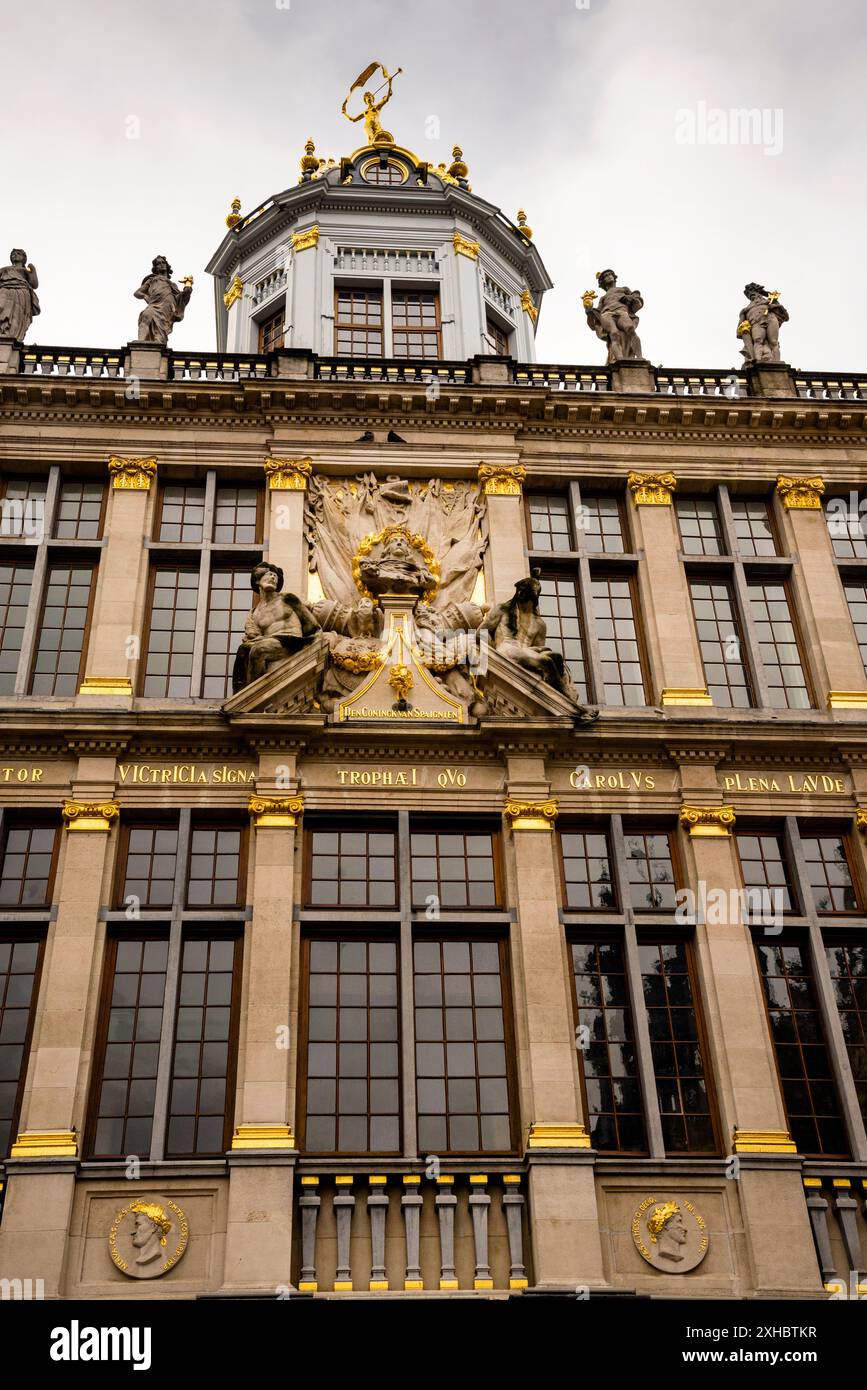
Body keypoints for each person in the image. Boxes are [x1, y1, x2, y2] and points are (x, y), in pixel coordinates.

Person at [231, 562, 320, 690]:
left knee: (258, 650)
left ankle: (256, 693)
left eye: (275, 576)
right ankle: (241, 693)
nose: (273, 577)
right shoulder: (254, 613)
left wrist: (314, 641)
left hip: (292, 641)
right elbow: (252, 637)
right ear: (257, 580)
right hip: (273, 642)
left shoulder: (287, 599)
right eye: (269, 575)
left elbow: (311, 624)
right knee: (243, 650)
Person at [583, 269, 643, 362]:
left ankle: (640, 358)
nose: (608, 277)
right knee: (614, 333)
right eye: (605, 276)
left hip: (622, 312)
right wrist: (588, 308)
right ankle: (619, 360)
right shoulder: (603, 298)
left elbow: (636, 300)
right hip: (607, 314)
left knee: (630, 328)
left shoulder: (624, 289)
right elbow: (597, 312)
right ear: (602, 282)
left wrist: (631, 298)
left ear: (614, 277)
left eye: (610, 275)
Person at [134, 256, 192, 345]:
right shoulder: (152, 279)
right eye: (158, 263)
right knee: (146, 315)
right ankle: (140, 343)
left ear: (167, 266)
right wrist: (146, 297)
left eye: (163, 263)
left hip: (167, 307)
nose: (161, 265)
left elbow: (181, 299)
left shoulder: (172, 284)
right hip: (154, 303)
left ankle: (158, 344)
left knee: (161, 327)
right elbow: (137, 293)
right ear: (155, 268)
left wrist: (187, 289)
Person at [0, 250, 40, 341]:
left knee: (16, 316)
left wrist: (33, 270)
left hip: (20, 291)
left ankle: (10, 335)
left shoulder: (25, 270)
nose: (15, 255)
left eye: (18, 253)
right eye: (13, 254)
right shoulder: (4, 269)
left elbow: (34, 284)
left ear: (24, 258)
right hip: (4, 289)